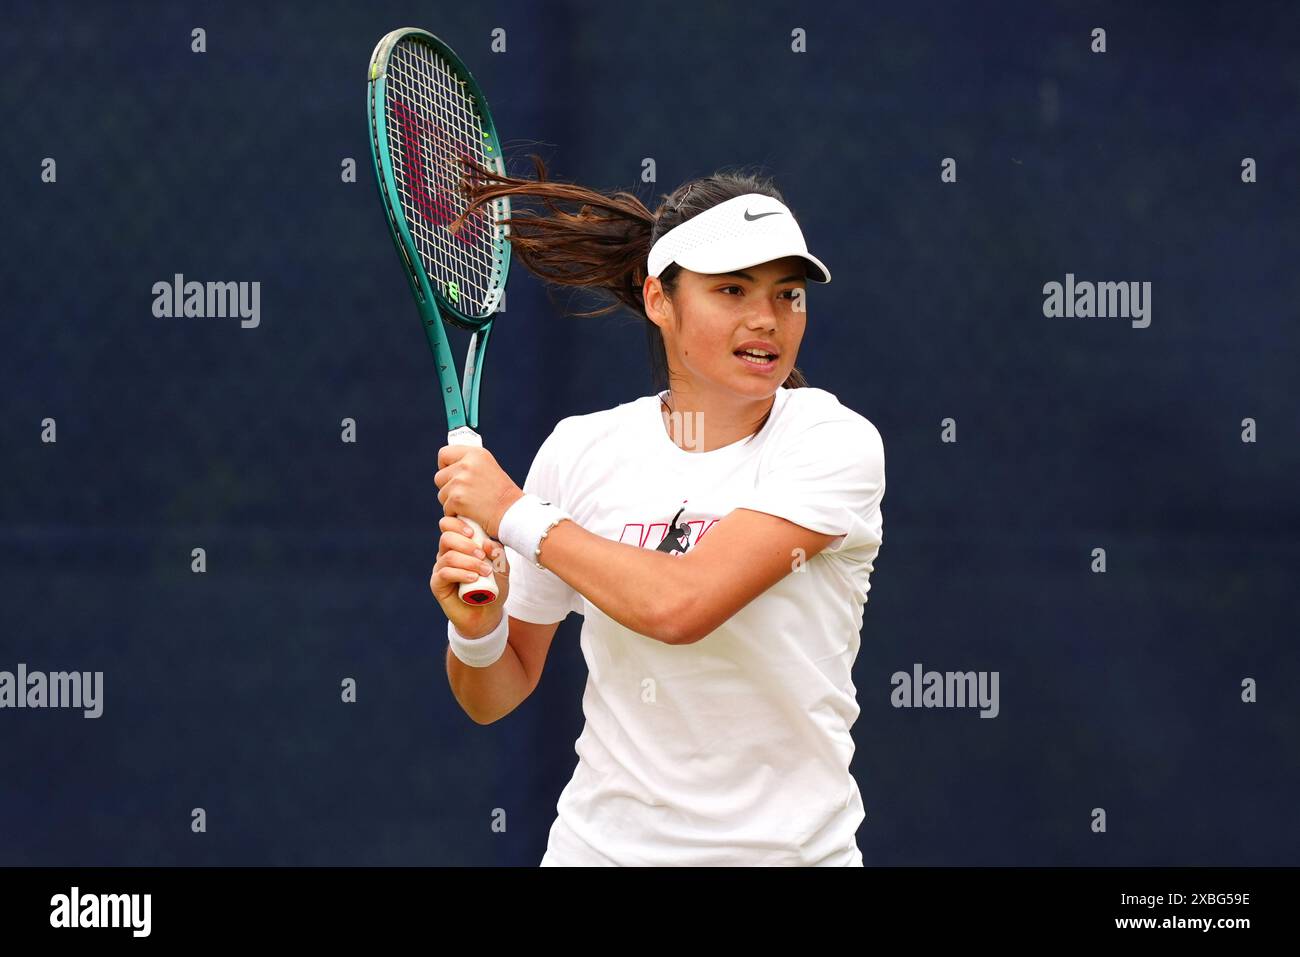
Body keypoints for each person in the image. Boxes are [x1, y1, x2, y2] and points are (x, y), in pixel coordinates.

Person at [431, 157, 885, 866]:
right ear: (659, 299)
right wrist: (478, 632)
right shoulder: (580, 451)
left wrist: (515, 513)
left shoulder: (833, 444)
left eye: (787, 293)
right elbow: (495, 691)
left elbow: (682, 604)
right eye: (731, 289)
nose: (765, 318)